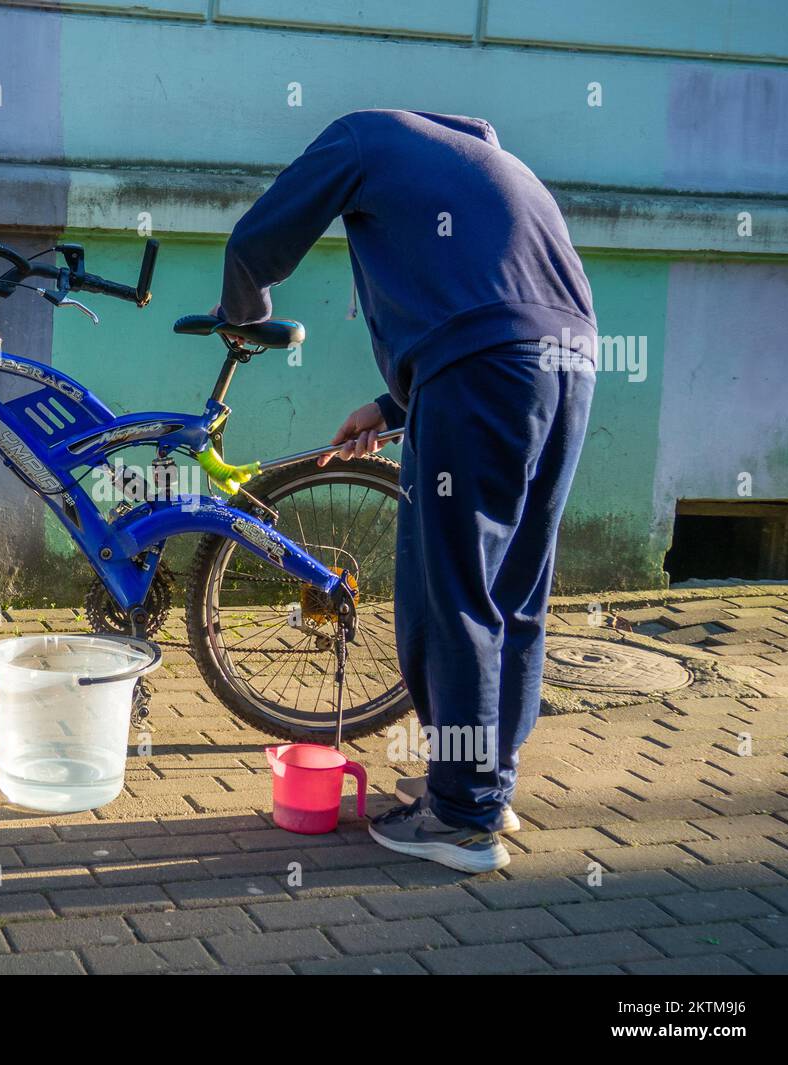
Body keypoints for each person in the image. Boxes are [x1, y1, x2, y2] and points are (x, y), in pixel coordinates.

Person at [216, 110, 596, 873]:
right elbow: (504, 307)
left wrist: (241, 321)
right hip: (573, 364)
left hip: (482, 368)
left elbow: (257, 242)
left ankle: (460, 818)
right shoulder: (495, 167)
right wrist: (397, 407)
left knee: (449, 588)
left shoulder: (366, 136)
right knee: (513, 589)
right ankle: (487, 787)